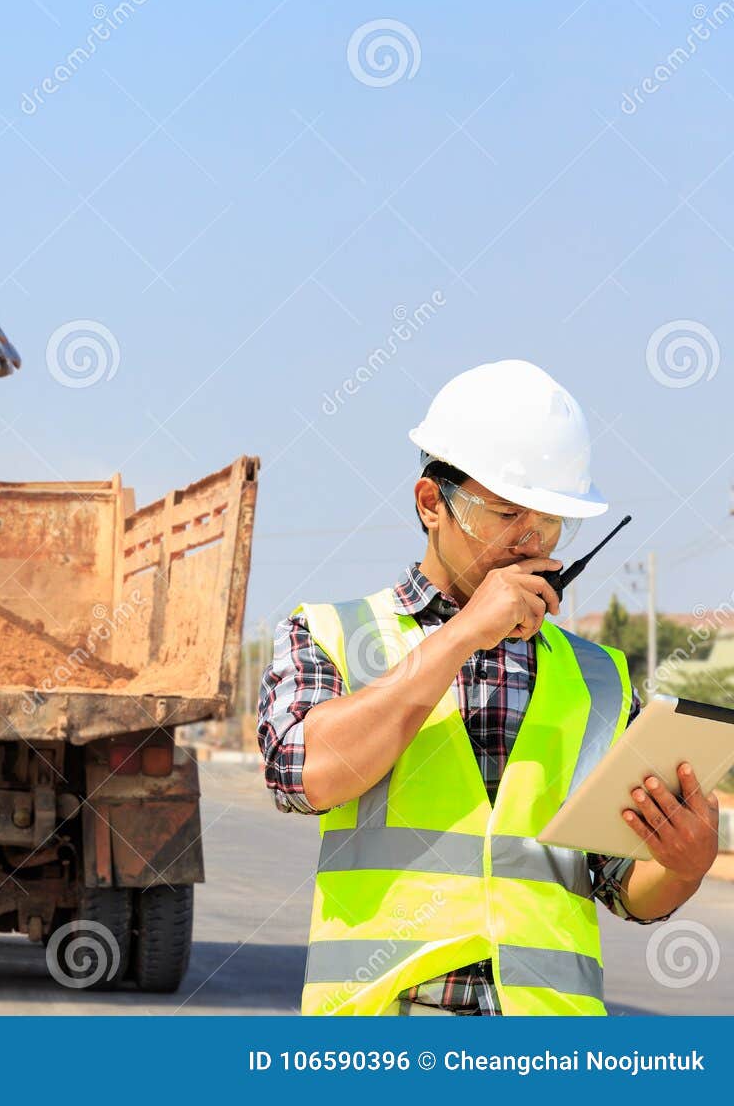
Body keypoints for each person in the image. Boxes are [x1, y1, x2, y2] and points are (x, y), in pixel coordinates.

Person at [258, 360, 719, 1016]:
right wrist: (461, 634)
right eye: (506, 513)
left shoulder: (600, 679)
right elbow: (304, 777)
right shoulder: (331, 633)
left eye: (552, 520)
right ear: (430, 504)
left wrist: (683, 865)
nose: (532, 540)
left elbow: (622, 885)